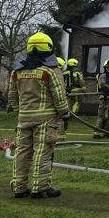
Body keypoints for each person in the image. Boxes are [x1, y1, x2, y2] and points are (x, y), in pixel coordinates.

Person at [10, 32, 71, 199]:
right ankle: (40, 187)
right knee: (42, 151)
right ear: (48, 47)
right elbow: (59, 95)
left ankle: (19, 187)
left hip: (24, 119)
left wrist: (20, 113)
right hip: (46, 120)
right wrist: (65, 113)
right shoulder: (50, 70)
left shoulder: (18, 71)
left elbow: (12, 96)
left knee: (22, 151)